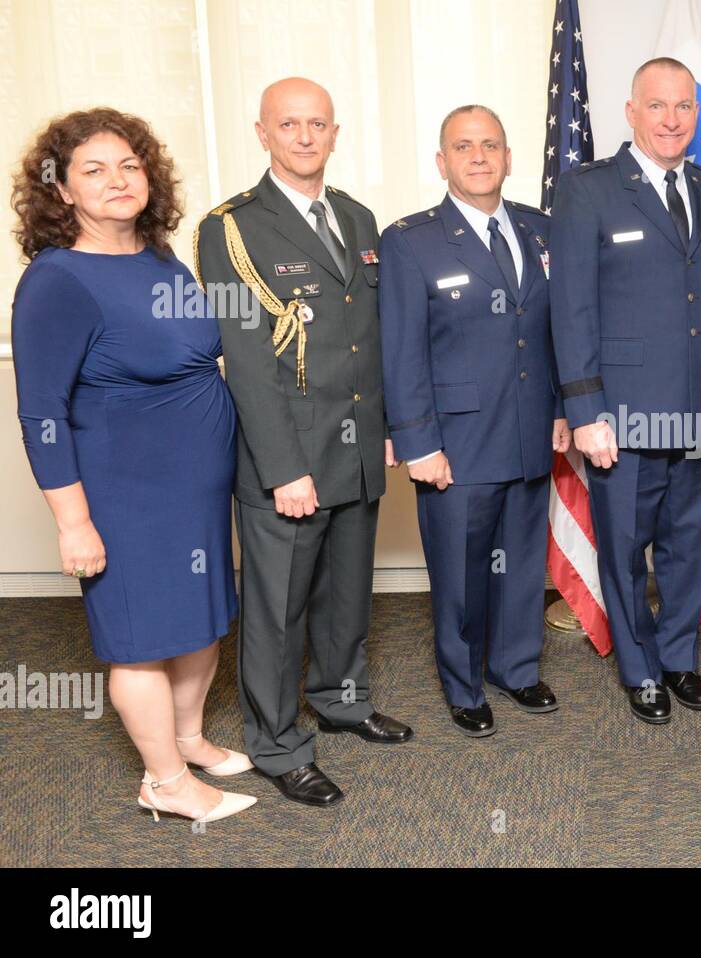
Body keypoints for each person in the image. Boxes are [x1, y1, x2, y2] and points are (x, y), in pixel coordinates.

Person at [11, 108, 255, 824]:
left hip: (194, 492)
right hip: (125, 498)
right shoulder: (57, 280)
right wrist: (74, 523)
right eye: (94, 170)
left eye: (129, 165)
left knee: (200, 622)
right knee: (142, 640)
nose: (117, 180)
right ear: (62, 190)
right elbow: (42, 414)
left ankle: (188, 739)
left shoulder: (158, 257)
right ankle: (165, 782)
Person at [196, 77, 411, 807]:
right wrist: (284, 468)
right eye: (288, 124)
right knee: (278, 613)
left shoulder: (356, 217)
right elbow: (247, 359)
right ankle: (278, 744)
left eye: (317, 123)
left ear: (335, 133)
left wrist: (384, 430)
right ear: (263, 134)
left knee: (347, 596)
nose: (305, 136)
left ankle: (342, 702)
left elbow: (369, 339)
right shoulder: (230, 228)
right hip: (287, 457)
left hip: (355, 446)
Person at [550, 57, 701, 724]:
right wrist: (584, 409)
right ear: (631, 111)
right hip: (622, 414)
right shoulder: (589, 190)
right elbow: (571, 307)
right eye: (657, 105)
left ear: (698, 114)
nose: (671, 119)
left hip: (697, 408)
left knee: (687, 545)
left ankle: (679, 657)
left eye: (684, 106)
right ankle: (640, 668)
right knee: (626, 547)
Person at [379, 105, 568, 737]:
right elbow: (401, 350)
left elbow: (557, 330)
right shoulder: (411, 240)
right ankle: (463, 685)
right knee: (461, 573)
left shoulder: (542, 229)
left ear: (509, 158)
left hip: (531, 429)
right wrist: (417, 443)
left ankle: (515, 667)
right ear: (443, 162)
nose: (479, 156)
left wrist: (562, 408)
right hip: (455, 442)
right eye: (464, 146)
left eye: (490, 145)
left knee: (521, 562)